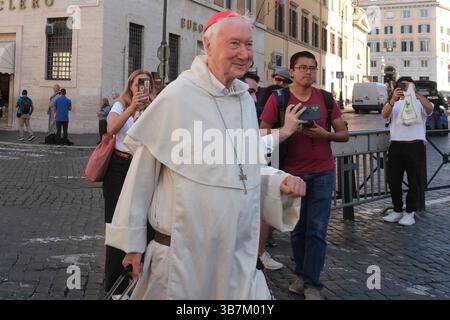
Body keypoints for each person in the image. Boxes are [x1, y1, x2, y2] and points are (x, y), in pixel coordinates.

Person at [105, 11, 306, 300]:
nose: (244, 54)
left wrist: (278, 183)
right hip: (183, 259)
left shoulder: (245, 102)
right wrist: (132, 246)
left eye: (249, 45)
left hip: (235, 258)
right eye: (234, 44)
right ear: (208, 45)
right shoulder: (177, 96)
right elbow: (141, 176)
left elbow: (239, 168)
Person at [261, 51, 349, 300]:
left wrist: (326, 135)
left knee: (317, 230)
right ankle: (301, 274)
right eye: (302, 67)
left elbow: (344, 134)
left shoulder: (326, 99)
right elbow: (262, 133)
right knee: (298, 230)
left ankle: (312, 283)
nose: (308, 72)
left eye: (312, 68)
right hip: (290, 174)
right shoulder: (278, 99)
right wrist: (287, 130)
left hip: (323, 172)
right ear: (291, 71)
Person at [102, 69, 154, 299]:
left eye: (146, 83)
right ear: (130, 85)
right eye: (138, 83)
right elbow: (111, 129)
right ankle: (115, 284)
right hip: (120, 168)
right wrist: (133, 107)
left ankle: (140, 280)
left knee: (146, 223)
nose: (141, 87)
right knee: (117, 224)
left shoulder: (155, 107)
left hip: (144, 169)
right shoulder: (120, 105)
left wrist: (151, 108)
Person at [381, 77, 433, 226]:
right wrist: (392, 99)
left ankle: (410, 212)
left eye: (406, 86)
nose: (404, 89)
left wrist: (415, 93)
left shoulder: (419, 102)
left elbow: (429, 109)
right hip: (396, 146)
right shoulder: (394, 103)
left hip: (415, 145)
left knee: (414, 181)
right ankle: (397, 210)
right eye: (401, 86)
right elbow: (384, 115)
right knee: (393, 180)